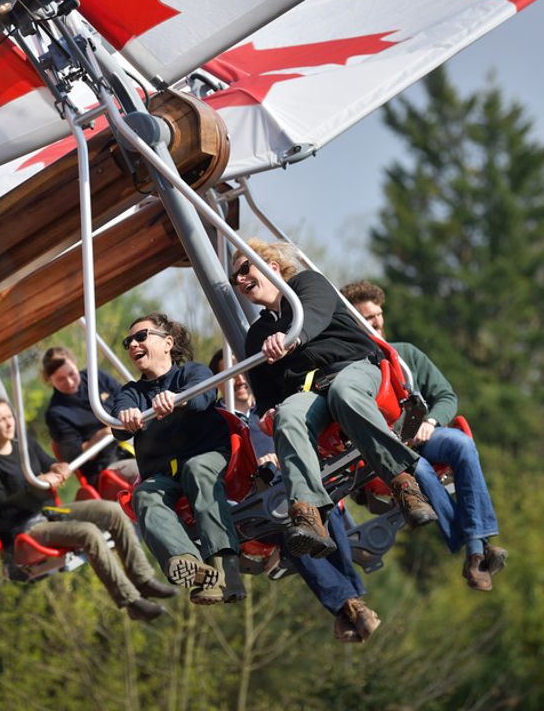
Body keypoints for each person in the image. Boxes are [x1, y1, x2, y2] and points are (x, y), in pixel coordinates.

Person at [230, 239, 437, 562]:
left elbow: (312, 316)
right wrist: (269, 408)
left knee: (344, 393)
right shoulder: (258, 334)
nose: (240, 280)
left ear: (271, 266)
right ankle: (308, 513)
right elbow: (265, 389)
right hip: (309, 393)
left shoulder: (308, 285)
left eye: (245, 269)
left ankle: (402, 482)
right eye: (234, 279)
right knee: (288, 415)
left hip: (353, 370)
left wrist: (291, 340)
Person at [341, 280, 508, 592]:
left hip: (422, 436)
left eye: (377, 315)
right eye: (367, 318)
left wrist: (430, 421)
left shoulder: (406, 356)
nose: (375, 322)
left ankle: (473, 549)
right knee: (422, 472)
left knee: (461, 444)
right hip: (387, 453)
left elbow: (445, 395)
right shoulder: (350, 370)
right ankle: (476, 549)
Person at [210, 348, 381, 642]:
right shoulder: (221, 424)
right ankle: (352, 605)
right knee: (290, 524)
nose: (239, 380)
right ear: (219, 382)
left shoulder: (270, 409)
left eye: (242, 372)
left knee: (321, 506)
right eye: (230, 375)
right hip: (258, 505)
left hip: (296, 488)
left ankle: (349, 609)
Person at [0, 391, 177, 621]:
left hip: (51, 512)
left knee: (113, 511)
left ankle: (143, 579)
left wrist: (57, 468)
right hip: (26, 528)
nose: (9, 423)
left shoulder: (24, 443)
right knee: (88, 532)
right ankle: (131, 601)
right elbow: (1, 510)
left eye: (10, 417)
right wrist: (37, 484)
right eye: (1, 419)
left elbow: (49, 464)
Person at [110, 314, 244, 605]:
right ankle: (193, 567)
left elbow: (203, 397)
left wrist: (179, 398)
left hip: (206, 454)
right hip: (164, 474)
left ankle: (226, 568)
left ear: (167, 343)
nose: (133, 344)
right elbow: (119, 424)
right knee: (144, 494)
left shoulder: (191, 373)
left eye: (141, 336)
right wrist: (126, 418)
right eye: (128, 342)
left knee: (197, 471)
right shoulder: (132, 392)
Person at [40, 345, 138, 485]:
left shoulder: (96, 376)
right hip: (105, 466)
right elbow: (77, 456)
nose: (69, 382)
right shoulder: (56, 413)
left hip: (135, 440)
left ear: (75, 364)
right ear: (50, 380)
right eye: (60, 379)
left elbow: (128, 398)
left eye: (72, 374)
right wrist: (104, 434)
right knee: (145, 470)